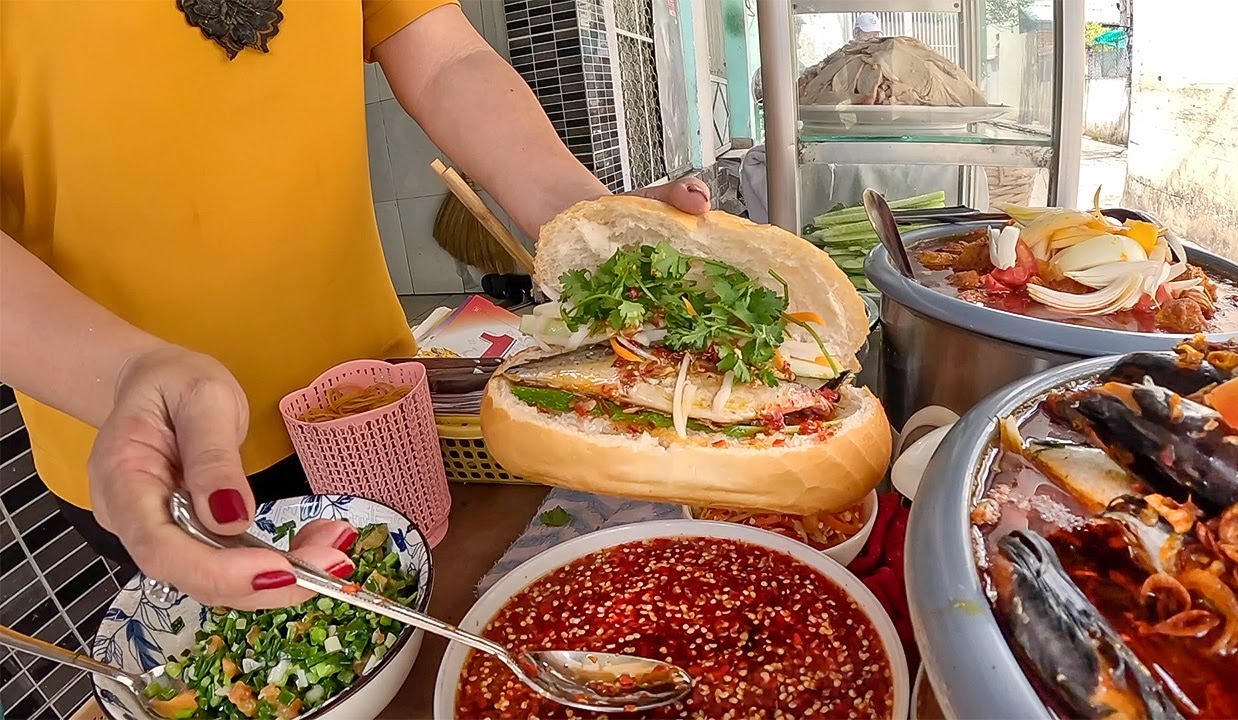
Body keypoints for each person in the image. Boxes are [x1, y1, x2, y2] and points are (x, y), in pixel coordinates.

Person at [0, 0, 710, 611]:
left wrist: (583, 221)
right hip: (139, 430)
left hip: (373, 403)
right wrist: (123, 373)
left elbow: (442, 59)